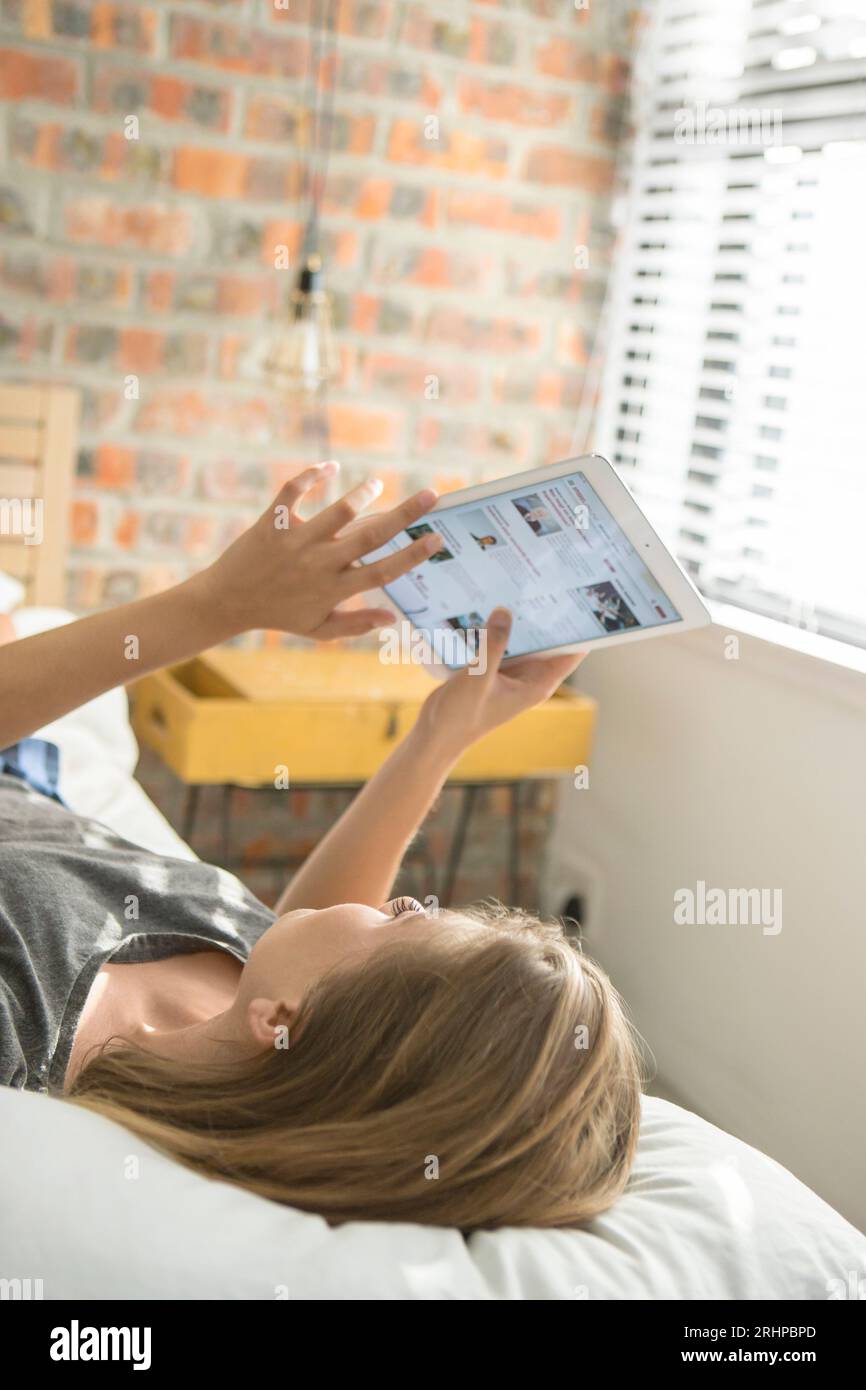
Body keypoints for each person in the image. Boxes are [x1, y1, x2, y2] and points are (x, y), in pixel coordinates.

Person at [0, 463, 642, 1232]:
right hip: (38, 767)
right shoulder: (259, 1018)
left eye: (398, 921)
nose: (396, 900)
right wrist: (446, 733)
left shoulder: (22, 1025)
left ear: (283, 1021)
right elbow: (308, 935)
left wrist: (219, 604)